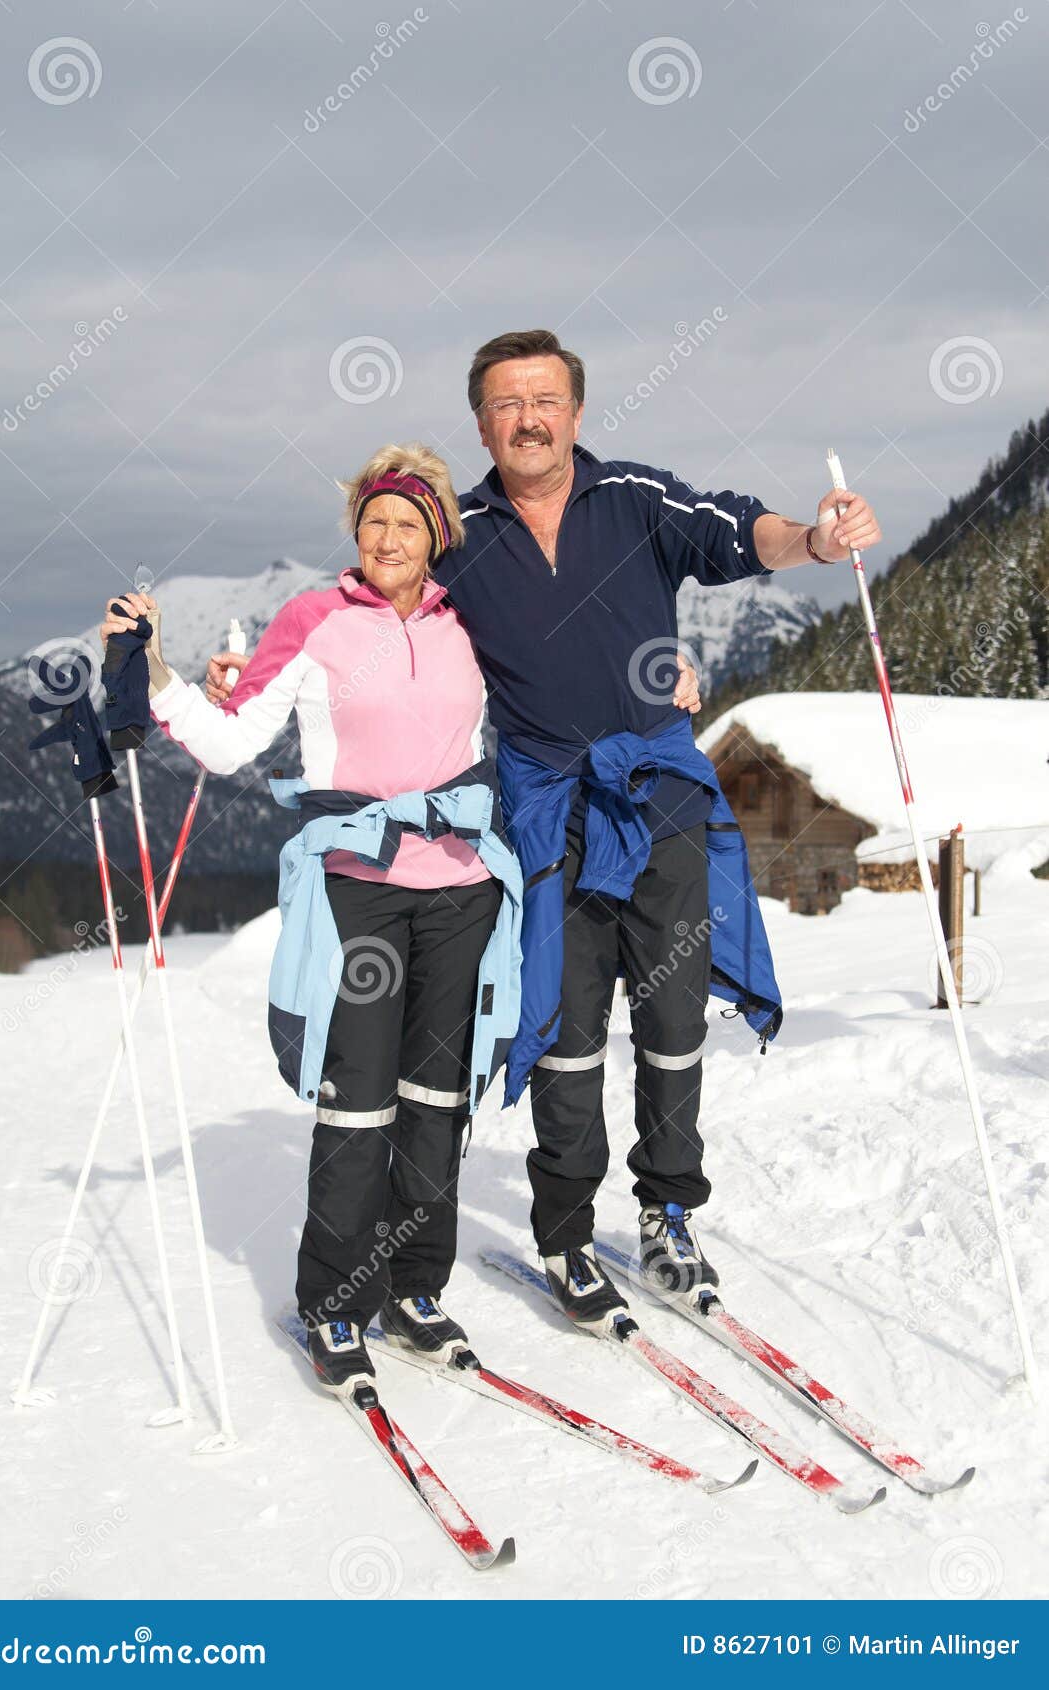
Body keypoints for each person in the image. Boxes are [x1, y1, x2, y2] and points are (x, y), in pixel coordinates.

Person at [210, 330, 882, 1337]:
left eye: (545, 399)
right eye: (505, 403)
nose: (527, 418)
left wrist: (820, 541)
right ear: (481, 423)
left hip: (657, 794)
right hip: (543, 809)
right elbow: (369, 601)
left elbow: (746, 536)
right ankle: (566, 1232)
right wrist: (254, 676)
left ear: (574, 410)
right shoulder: (462, 532)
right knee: (567, 1035)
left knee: (672, 1023)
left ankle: (665, 1215)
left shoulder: (638, 500)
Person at [99, 444, 522, 1397]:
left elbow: (535, 707)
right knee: (359, 1100)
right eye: (373, 521)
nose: (386, 538)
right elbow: (233, 739)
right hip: (357, 888)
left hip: (461, 888)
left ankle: (415, 1289)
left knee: (435, 1100)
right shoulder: (316, 620)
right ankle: (334, 1301)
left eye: (407, 523)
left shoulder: (471, 625)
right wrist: (157, 672)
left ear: (437, 537)